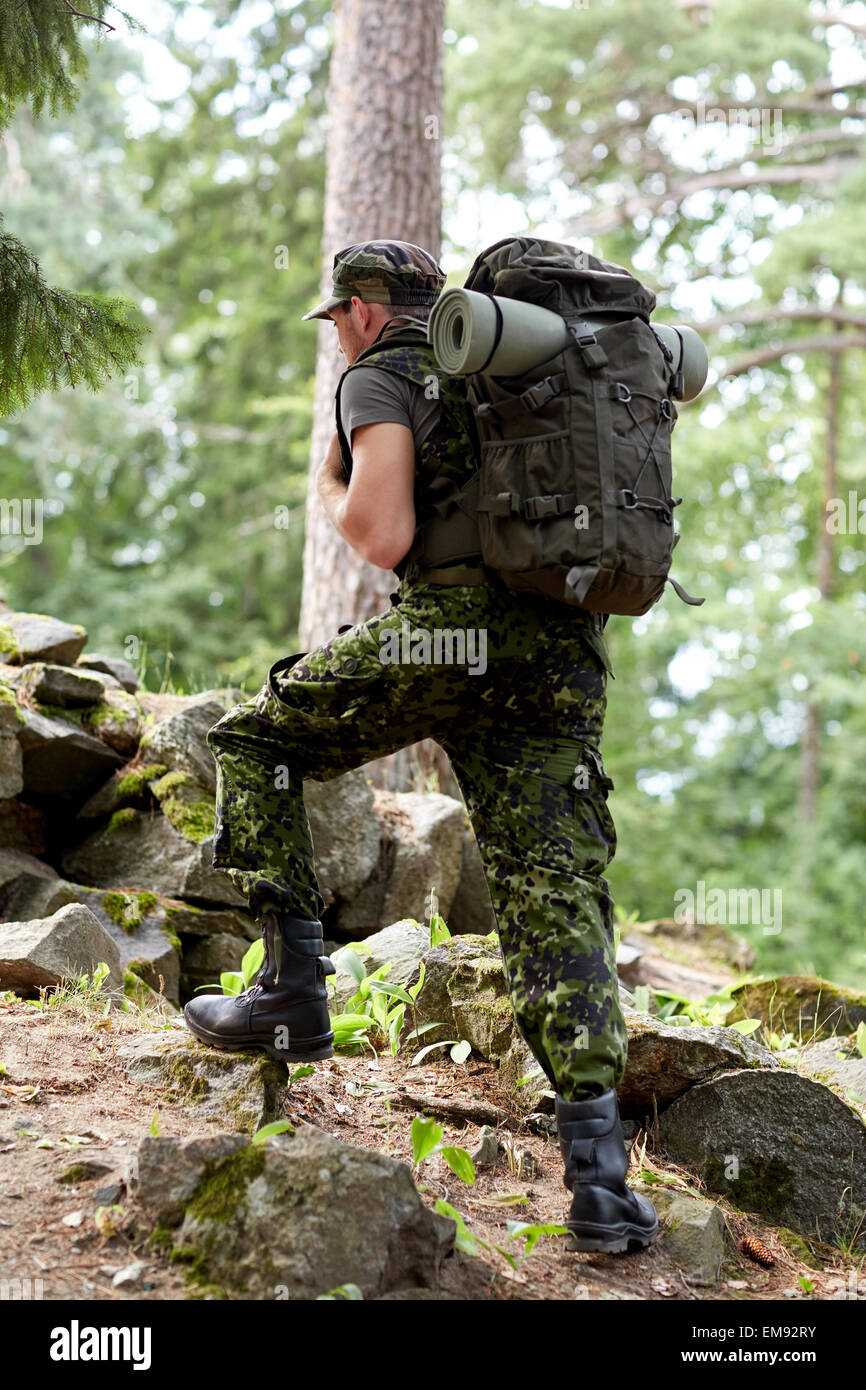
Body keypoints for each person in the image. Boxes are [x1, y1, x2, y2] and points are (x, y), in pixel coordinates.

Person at [183, 239, 658, 1254]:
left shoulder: (381, 371)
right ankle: (600, 1181)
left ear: (359, 309)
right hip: (561, 648)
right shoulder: (513, 371)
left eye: (337, 318)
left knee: (256, 737)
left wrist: (330, 490)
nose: (336, 335)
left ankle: (290, 995)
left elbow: (384, 531)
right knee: (552, 884)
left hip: (450, 634)